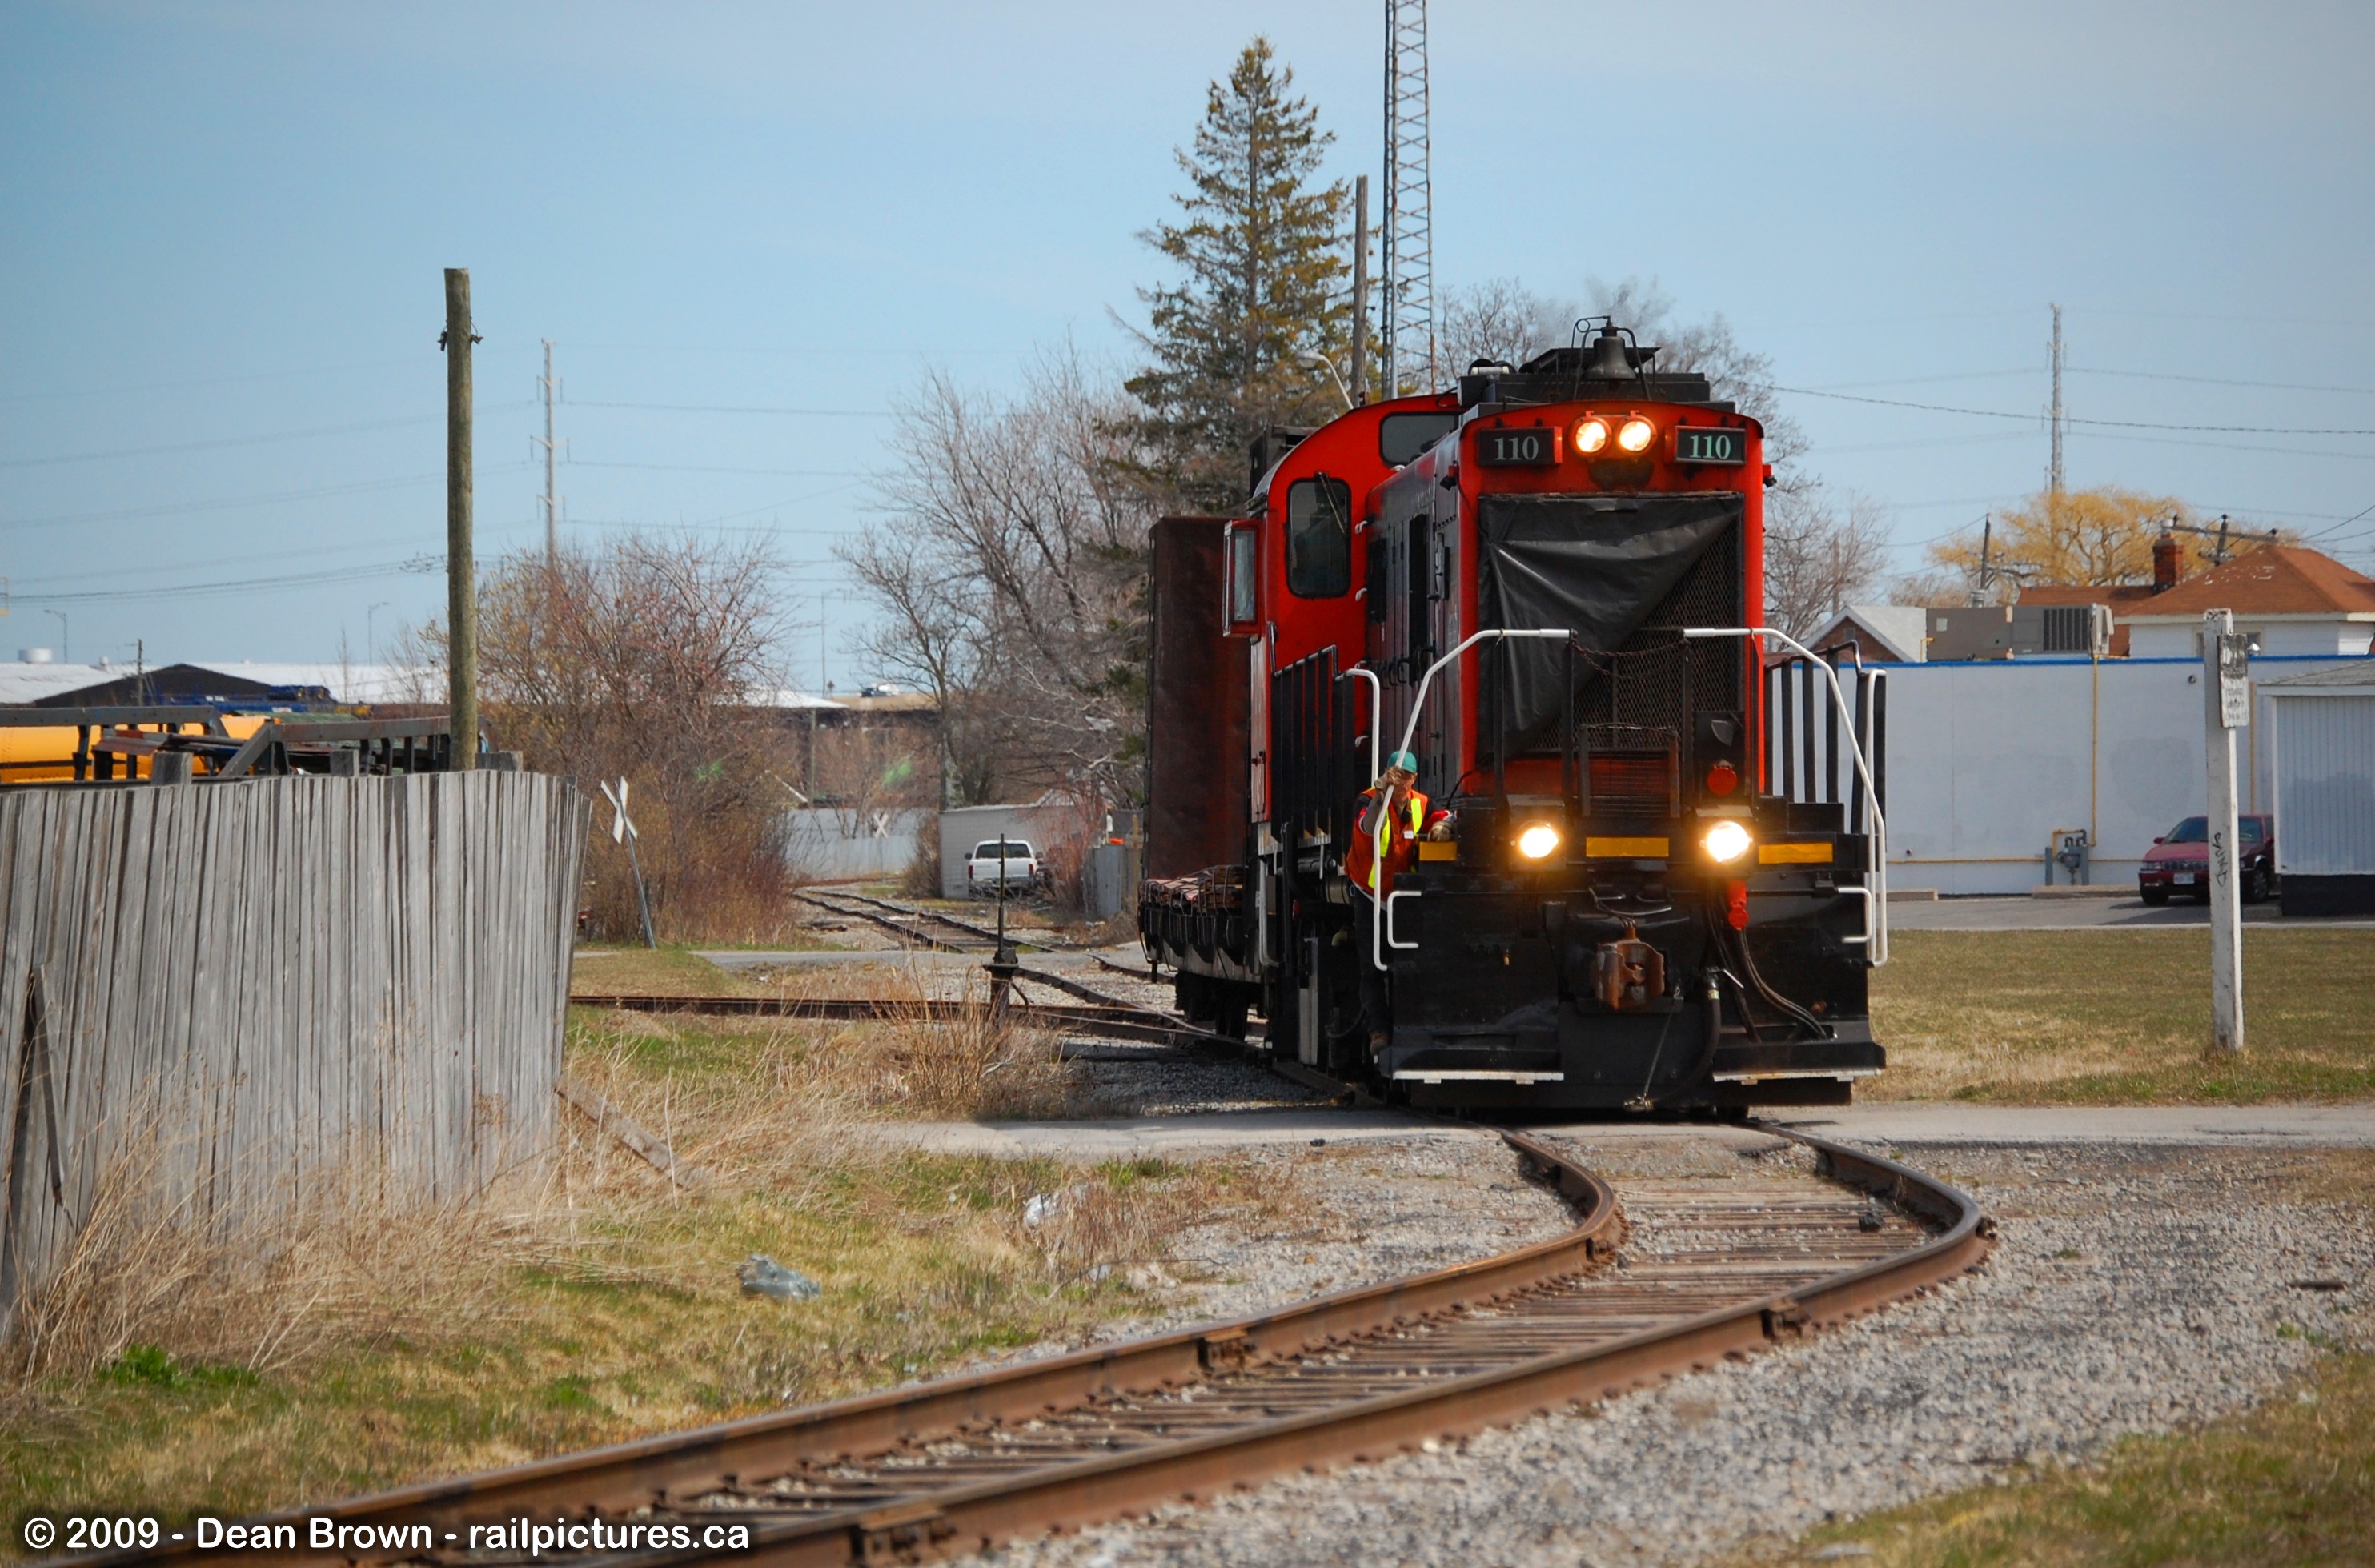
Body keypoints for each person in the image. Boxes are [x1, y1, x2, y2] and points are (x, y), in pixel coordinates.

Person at [1342, 750, 1451, 1054]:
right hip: (1370, 893)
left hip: (1405, 897)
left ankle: (1413, 1025)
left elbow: (1445, 817)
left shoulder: (1422, 803)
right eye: (1395, 772)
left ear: (1414, 778)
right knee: (1372, 966)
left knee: (1410, 963)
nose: (1400, 780)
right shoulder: (1368, 800)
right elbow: (1367, 827)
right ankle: (1379, 1030)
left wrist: (1444, 828)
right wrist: (1381, 794)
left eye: (1406, 775)